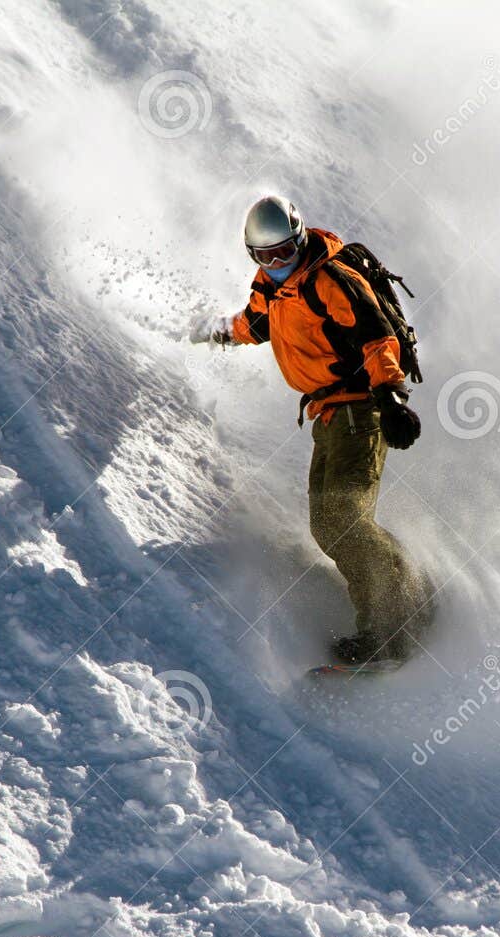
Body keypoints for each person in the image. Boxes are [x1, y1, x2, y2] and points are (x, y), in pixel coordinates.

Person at [192, 195, 430, 664]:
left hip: (361, 411)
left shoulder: (330, 279)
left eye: (286, 250)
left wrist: (393, 397)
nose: (279, 262)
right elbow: (251, 325)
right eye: (266, 255)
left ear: (300, 238)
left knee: (342, 521)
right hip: (329, 417)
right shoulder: (273, 290)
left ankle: (391, 630)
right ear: (253, 256)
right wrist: (210, 331)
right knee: (330, 525)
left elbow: (376, 335)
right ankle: (411, 591)